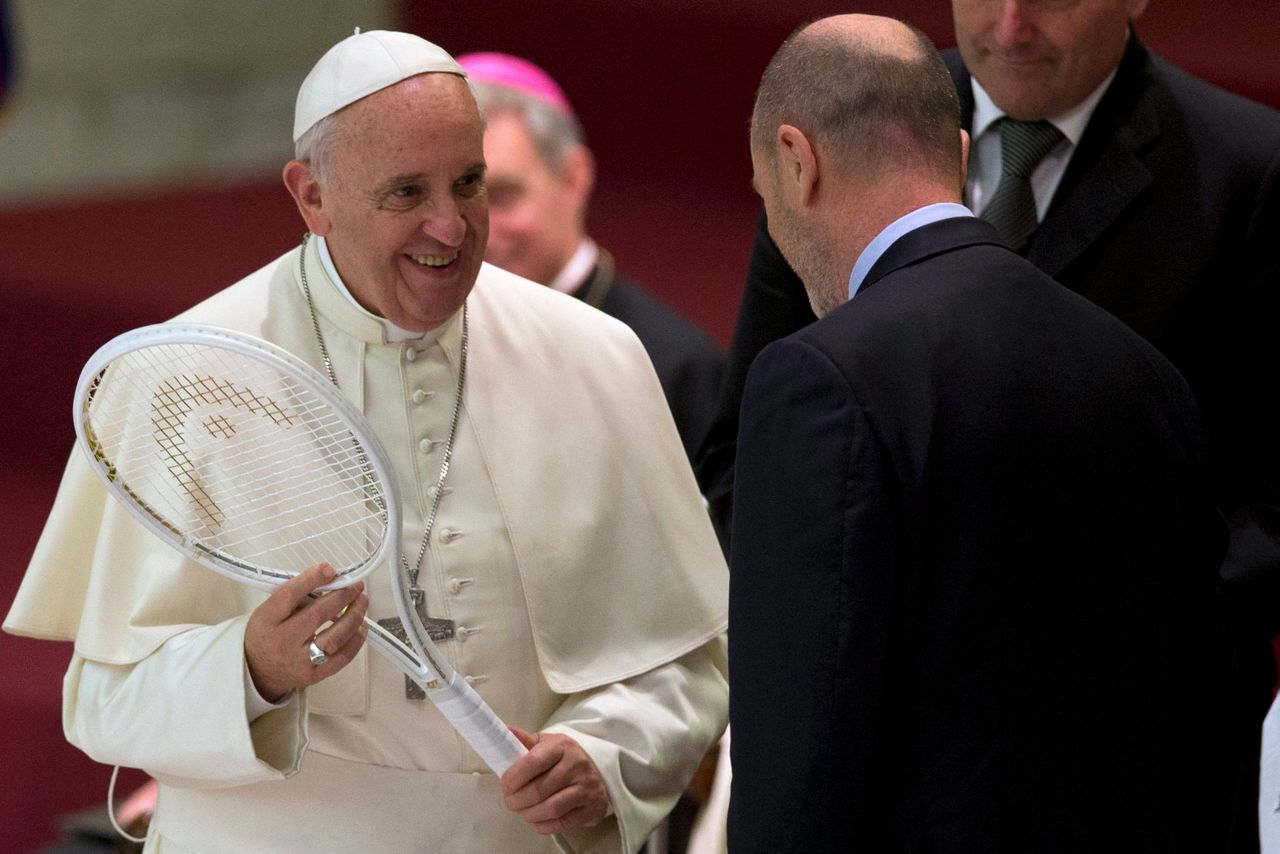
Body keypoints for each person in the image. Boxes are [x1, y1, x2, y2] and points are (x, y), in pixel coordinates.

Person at [3, 30, 728, 853]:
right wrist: (251, 670)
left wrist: (607, 754)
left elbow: (685, 660)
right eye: (407, 193)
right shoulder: (182, 378)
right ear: (312, 197)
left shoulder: (594, 357)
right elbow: (102, 703)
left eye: (469, 183)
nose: (450, 228)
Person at [698, 3, 1280, 841]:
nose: (1010, 25)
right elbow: (747, 455)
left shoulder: (1245, 171)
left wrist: (1092, 637)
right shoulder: (858, 100)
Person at [457, 52, 725, 462]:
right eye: (459, 199)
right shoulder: (422, 343)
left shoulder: (673, 366)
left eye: (503, 197)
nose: (476, 230)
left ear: (572, 178)